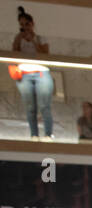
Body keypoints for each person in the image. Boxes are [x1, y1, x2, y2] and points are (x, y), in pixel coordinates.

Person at [12, 7, 52, 141]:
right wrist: (19, 39)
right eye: (22, 25)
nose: (25, 28)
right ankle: (34, 135)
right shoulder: (19, 38)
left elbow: (45, 54)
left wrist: (33, 40)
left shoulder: (40, 38)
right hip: (24, 73)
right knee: (30, 106)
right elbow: (13, 54)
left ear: (32, 24)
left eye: (27, 24)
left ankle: (48, 135)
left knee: (44, 105)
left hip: (41, 72)